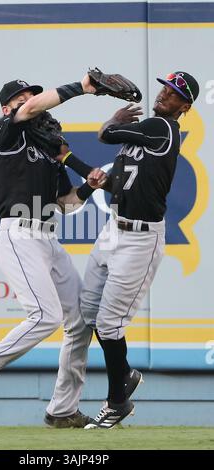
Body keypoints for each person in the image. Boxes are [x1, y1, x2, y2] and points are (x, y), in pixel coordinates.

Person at [50, 71, 199, 429]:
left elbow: (106, 134)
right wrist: (86, 171)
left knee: (109, 323)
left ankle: (118, 400)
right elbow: (119, 180)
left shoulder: (162, 128)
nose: (165, 94)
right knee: (87, 317)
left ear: (185, 106)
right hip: (113, 230)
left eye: (175, 92)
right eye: (166, 87)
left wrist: (111, 121)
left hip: (140, 240)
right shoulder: (148, 132)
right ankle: (117, 380)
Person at [0, 74, 106, 424]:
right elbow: (33, 108)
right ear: (7, 108)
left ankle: (62, 409)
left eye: (31, 95)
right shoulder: (3, 133)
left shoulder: (49, 151)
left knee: (81, 321)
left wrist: (88, 187)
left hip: (48, 240)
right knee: (46, 316)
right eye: (21, 97)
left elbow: (65, 204)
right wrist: (82, 87)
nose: (29, 100)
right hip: (17, 236)